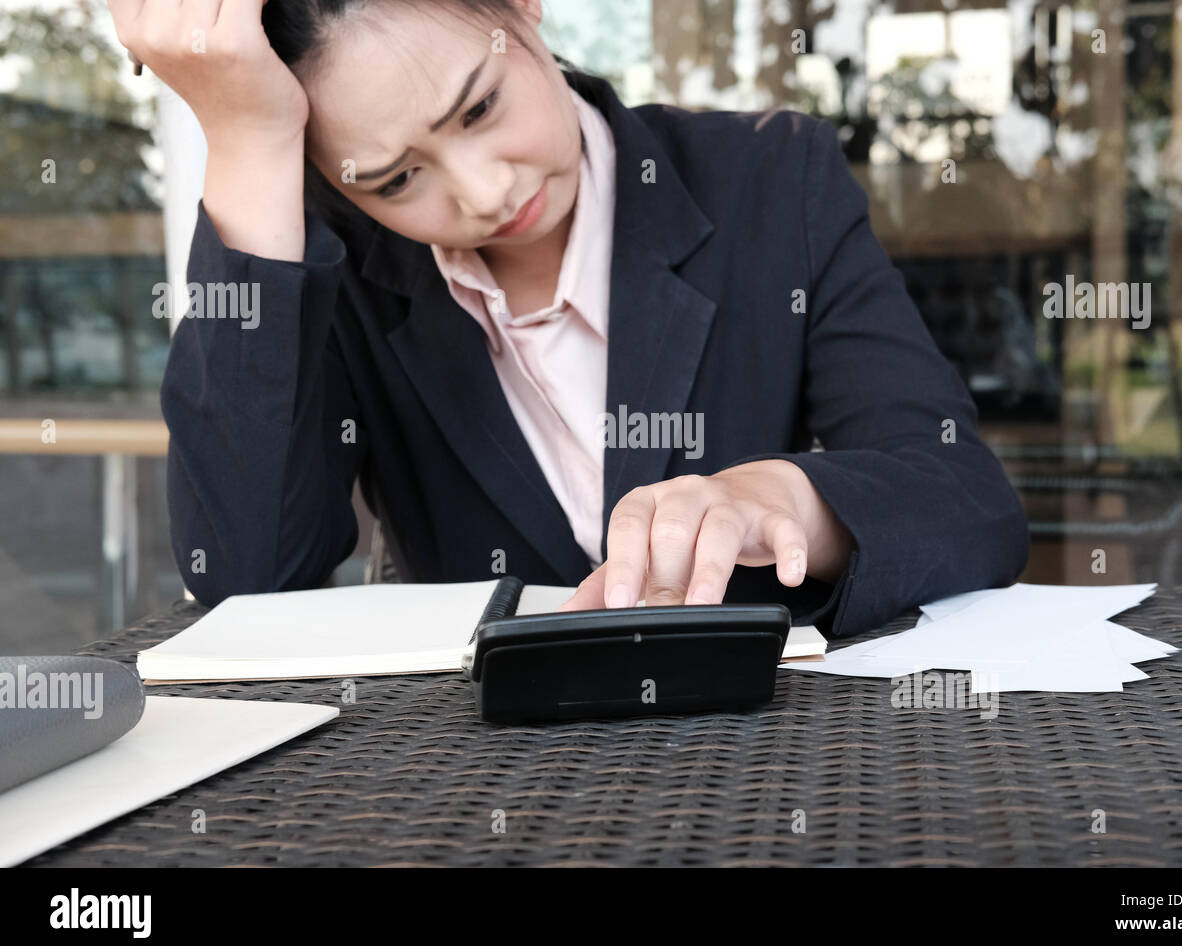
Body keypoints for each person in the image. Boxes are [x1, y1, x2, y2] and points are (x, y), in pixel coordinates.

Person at [110, 0, 1029, 637]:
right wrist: (246, 144)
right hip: (474, 787)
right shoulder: (340, 269)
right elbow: (245, 579)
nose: (484, 191)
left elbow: (969, 504)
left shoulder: (769, 181)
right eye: (394, 179)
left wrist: (786, 501)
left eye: (481, 107)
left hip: (766, 761)